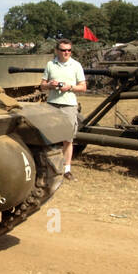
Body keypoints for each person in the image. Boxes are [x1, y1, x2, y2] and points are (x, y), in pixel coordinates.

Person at [41, 38, 86, 180]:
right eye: (63, 50)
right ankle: (50, 167)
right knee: (49, 138)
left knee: (68, 139)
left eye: (69, 50)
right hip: (52, 104)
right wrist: (50, 85)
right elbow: (42, 85)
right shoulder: (50, 64)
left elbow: (83, 87)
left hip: (69, 106)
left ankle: (67, 169)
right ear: (57, 51)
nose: (66, 52)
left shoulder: (76, 65)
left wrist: (70, 87)